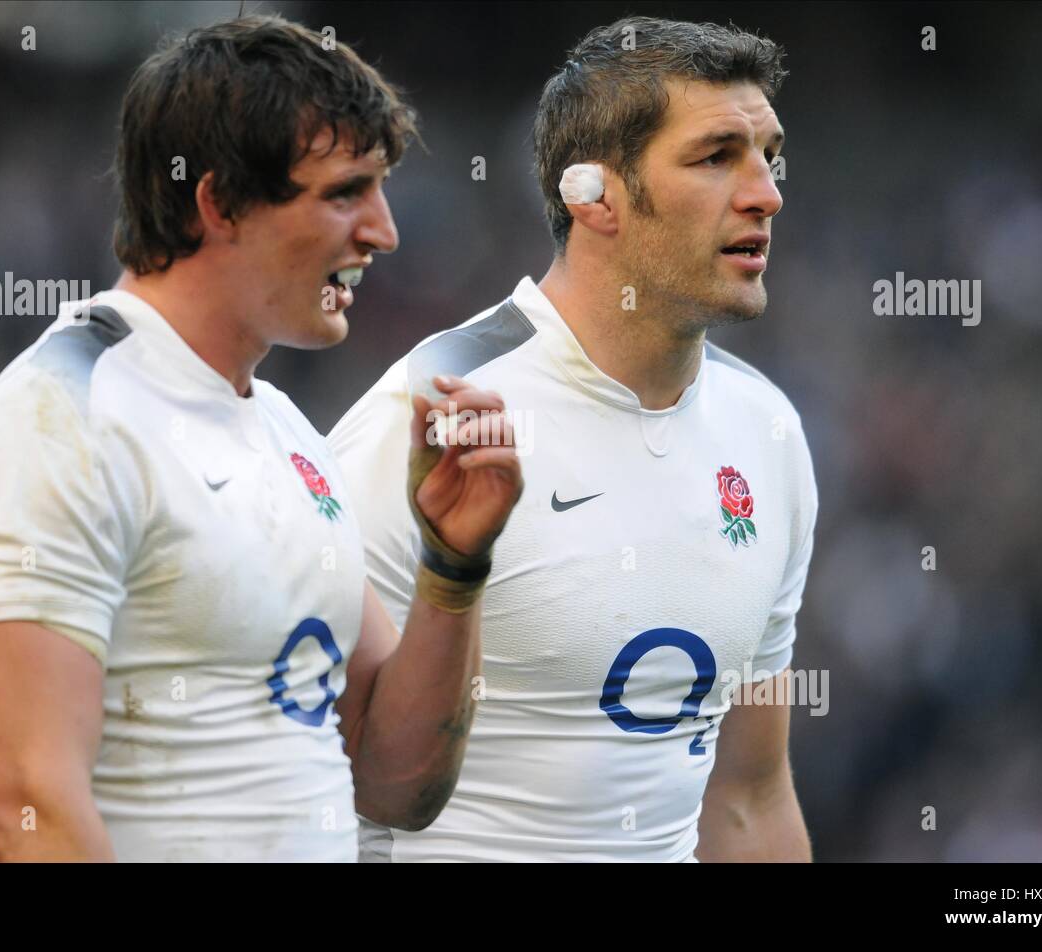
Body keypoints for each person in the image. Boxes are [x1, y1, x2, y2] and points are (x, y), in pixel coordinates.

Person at [0, 14, 522, 862]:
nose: (385, 231)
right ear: (218, 202)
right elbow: (24, 801)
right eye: (346, 192)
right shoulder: (55, 423)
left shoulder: (284, 431)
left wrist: (454, 568)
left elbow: (395, 783)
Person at [329, 16, 816, 862]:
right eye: (715, 157)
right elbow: (317, 784)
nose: (765, 193)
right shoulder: (431, 414)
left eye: (769, 156)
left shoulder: (767, 431)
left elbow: (748, 798)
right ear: (593, 195)